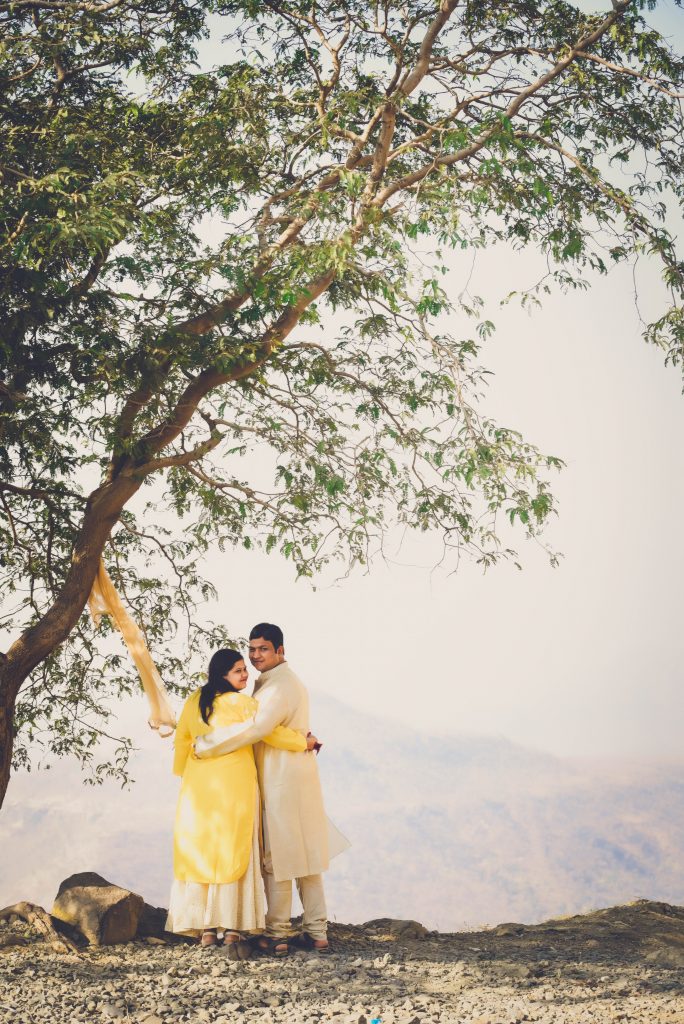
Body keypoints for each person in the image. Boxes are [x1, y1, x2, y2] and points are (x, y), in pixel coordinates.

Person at [194, 623, 349, 955]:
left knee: (278, 857)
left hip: (282, 778)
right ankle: (316, 932)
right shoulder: (275, 682)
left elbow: (257, 728)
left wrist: (207, 744)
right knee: (305, 856)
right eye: (251, 649)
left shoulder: (279, 686)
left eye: (263, 649)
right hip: (295, 776)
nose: (255, 656)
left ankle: (278, 935)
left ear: (280, 650)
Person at [166, 648, 316, 948]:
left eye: (245, 669)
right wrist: (304, 741)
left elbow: (182, 738)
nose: (246, 675)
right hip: (234, 784)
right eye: (238, 670)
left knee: (204, 848)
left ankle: (206, 929)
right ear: (223, 675)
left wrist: (184, 772)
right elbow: (270, 733)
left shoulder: (195, 699)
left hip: (198, 786)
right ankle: (232, 927)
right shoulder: (244, 704)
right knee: (234, 849)